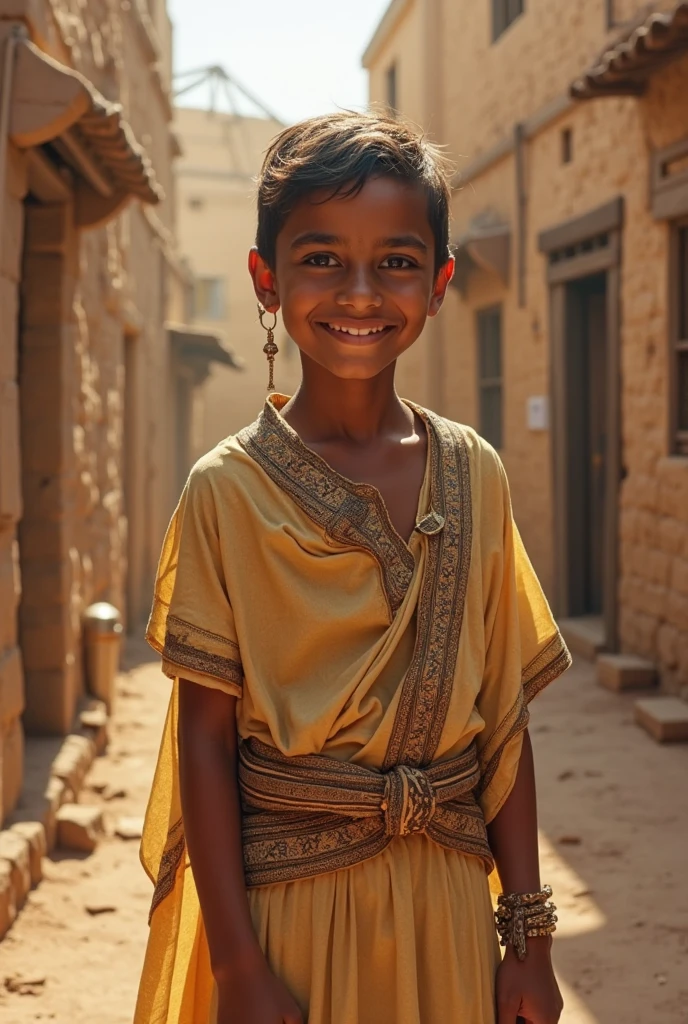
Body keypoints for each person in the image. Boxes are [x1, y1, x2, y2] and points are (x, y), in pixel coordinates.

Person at [134, 112, 571, 1024]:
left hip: (448, 903)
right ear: (266, 279)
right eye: (323, 258)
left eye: (398, 262)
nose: (361, 293)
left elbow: (502, 726)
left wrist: (527, 938)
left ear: (441, 282)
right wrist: (239, 970)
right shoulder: (225, 491)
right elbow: (205, 745)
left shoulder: (474, 473)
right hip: (291, 918)